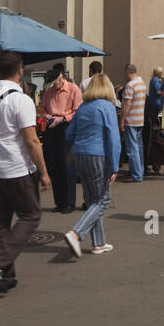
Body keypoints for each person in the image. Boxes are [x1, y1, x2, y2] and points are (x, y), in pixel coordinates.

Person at [0, 50, 51, 294]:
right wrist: (43, 172)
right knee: (31, 216)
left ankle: (3, 275)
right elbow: (31, 141)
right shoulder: (21, 100)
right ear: (20, 70)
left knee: (0, 223)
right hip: (16, 168)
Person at [63, 73, 121, 257]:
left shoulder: (83, 107)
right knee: (102, 201)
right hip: (98, 155)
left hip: (79, 154)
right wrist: (114, 166)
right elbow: (113, 139)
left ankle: (99, 242)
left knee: (92, 201)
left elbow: (68, 134)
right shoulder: (107, 107)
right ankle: (76, 233)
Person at [39, 69, 82, 211]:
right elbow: (42, 108)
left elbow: (78, 110)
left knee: (67, 165)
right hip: (52, 126)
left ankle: (69, 203)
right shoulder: (49, 91)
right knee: (54, 165)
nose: (53, 86)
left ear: (61, 78)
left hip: (66, 127)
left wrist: (63, 118)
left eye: (54, 83)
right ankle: (59, 202)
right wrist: (47, 116)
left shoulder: (73, 89)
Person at [119, 63, 147, 182]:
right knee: (139, 147)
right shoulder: (141, 83)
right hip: (140, 118)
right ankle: (139, 171)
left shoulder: (130, 85)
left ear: (127, 72)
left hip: (131, 120)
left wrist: (122, 120)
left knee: (131, 149)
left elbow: (127, 104)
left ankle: (136, 174)